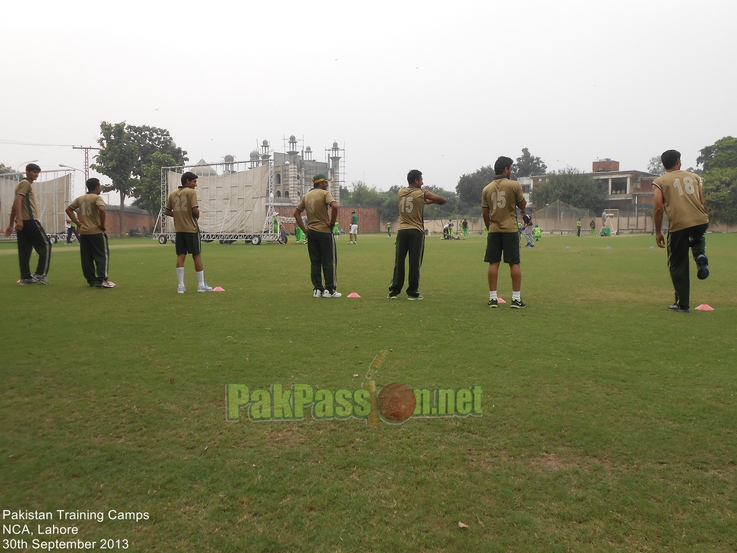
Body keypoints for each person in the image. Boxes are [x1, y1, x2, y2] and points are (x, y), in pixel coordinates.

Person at [653, 149, 710, 313]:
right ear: (678, 161)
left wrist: (658, 232)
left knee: (678, 263)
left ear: (664, 164)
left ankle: (682, 304)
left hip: (679, 225)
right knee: (698, 236)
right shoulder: (695, 177)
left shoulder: (660, 181)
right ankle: (699, 254)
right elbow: (700, 200)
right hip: (701, 220)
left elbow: (658, 208)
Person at [388, 169, 447, 300]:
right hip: (416, 231)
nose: (422, 182)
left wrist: (426, 200)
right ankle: (412, 292)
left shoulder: (401, 192)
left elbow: (415, 200)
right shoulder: (421, 193)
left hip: (402, 231)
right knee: (415, 263)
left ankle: (394, 291)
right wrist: (428, 194)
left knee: (399, 261)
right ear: (416, 180)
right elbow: (443, 200)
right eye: (421, 180)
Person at [482, 156, 527, 309]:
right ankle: (516, 299)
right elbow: (522, 205)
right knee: (514, 263)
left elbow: (485, 213)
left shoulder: (486, 189)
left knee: (493, 263)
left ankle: (492, 298)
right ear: (506, 169)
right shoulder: (514, 185)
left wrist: (490, 227)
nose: (511, 171)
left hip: (494, 230)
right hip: (510, 229)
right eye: (511, 169)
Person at [294, 173, 341, 298]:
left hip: (311, 232)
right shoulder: (325, 194)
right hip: (324, 232)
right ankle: (329, 290)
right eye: (326, 182)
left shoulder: (306, 195)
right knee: (329, 261)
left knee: (315, 262)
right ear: (320, 183)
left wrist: (305, 230)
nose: (327, 184)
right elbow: (335, 206)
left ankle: (317, 289)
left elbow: (296, 213)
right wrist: (331, 223)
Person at [165, 171, 212, 293]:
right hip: (191, 229)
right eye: (194, 181)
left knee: (181, 255)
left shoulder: (173, 194)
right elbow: (195, 210)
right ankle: (201, 285)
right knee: (196, 255)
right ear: (188, 181)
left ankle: (181, 286)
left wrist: (179, 215)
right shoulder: (191, 192)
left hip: (179, 230)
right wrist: (195, 215)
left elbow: (167, 211)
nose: (195, 184)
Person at [4, 163, 51, 285]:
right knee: (46, 245)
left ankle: (25, 278)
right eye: (34, 172)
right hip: (29, 220)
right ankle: (40, 274)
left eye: (37, 172)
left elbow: (15, 204)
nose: (36, 174)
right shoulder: (25, 184)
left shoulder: (19, 185)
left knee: (25, 250)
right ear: (27, 172)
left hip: (23, 222)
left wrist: (11, 224)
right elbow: (18, 201)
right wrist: (19, 219)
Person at [65, 178, 114, 288]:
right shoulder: (97, 198)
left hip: (84, 232)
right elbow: (101, 209)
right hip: (96, 231)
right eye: (100, 186)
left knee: (87, 257)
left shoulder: (81, 198)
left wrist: (77, 223)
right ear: (97, 187)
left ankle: (91, 281)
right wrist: (102, 225)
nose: (100, 188)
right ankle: (101, 280)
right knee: (102, 256)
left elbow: (68, 210)